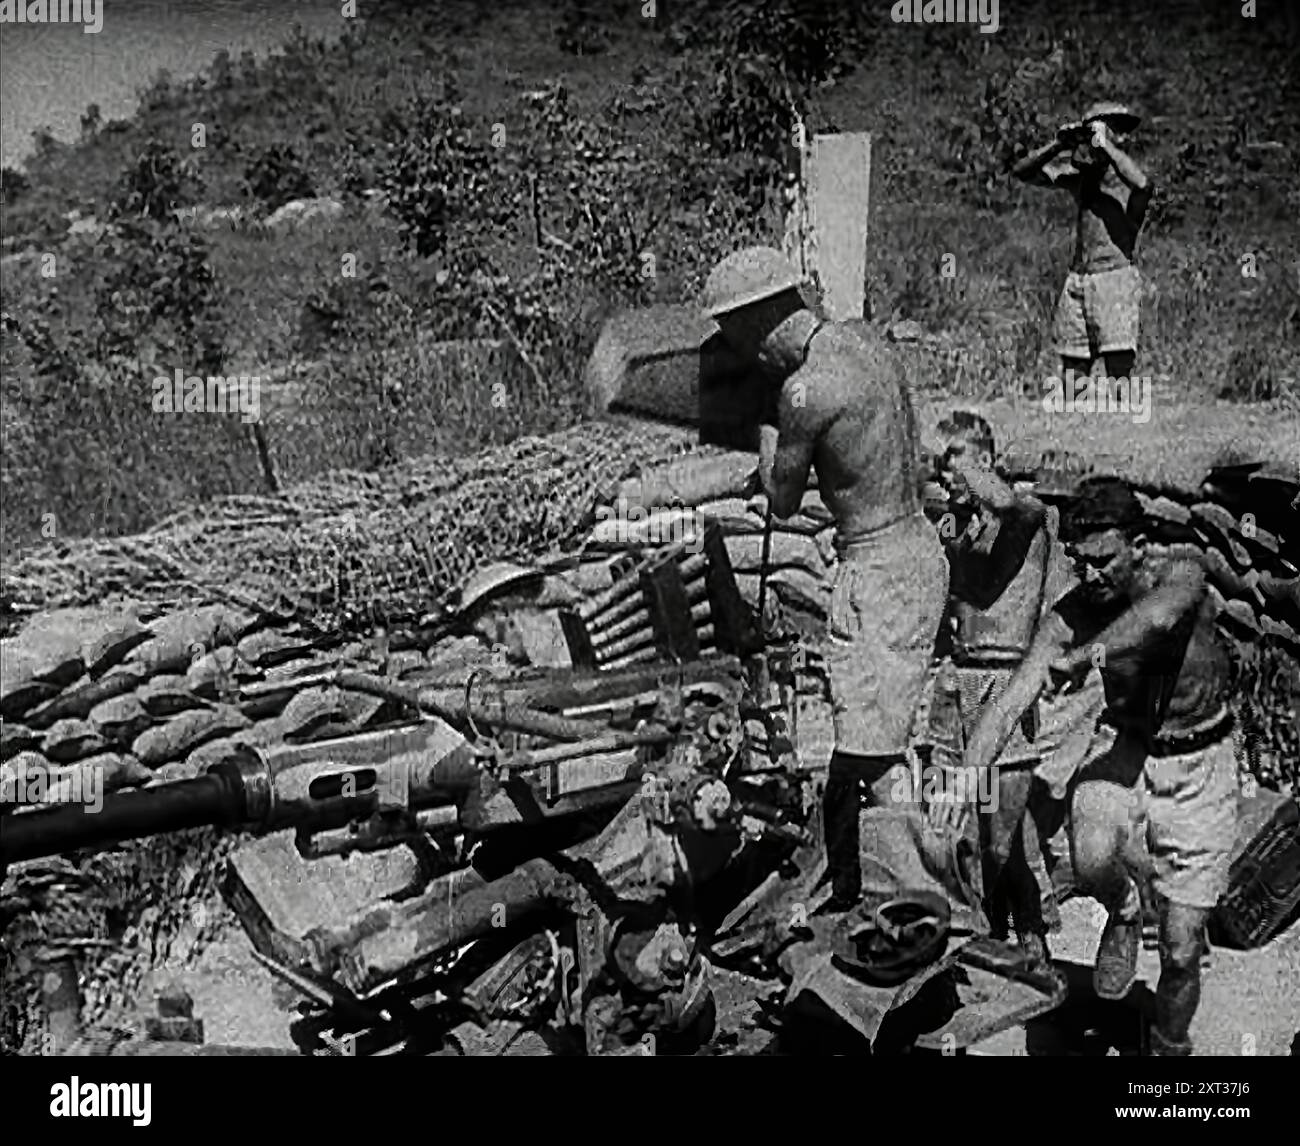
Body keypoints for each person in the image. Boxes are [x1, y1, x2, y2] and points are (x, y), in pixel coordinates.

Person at [701, 246, 949, 910]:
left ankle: (914, 908)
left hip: (878, 564)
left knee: (876, 754)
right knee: (879, 742)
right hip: (915, 548)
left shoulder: (803, 390)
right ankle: (877, 891)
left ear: (758, 322)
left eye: (736, 337)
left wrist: (762, 420)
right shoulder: (867, 342)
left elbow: (781, 500)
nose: (741, 352)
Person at [963, 477, 1239, 1056]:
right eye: (1079, 562)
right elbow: (1010, 703)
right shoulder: (1073, 615)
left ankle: (1168, 1050)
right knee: (1089, 855)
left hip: (1199, 765)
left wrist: (1090, 656)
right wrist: (956, 789)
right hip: (1126, 750)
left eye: (1103, 561)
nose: (1089, 576)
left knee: (1183, 948)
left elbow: (1158, 621)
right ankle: (1124, 908)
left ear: (1138, 546)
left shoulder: (1180, 572)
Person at [924, 411, 1059, 964]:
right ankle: (990, 933)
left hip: (1007, 682)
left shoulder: (1027, 516)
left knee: (1002, 836)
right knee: (959, 828)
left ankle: (1027, 931)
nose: (944, 476)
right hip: (957, 681)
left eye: (951, 462)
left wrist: (974, 472)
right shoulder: (954, 523)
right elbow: (947, 569)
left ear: (983, 459)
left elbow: (1013, 508)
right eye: (939, 466)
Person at [1012, 101, 1154, 384]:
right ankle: (1076, 424)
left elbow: (1143, 185)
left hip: (1114, 277)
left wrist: (1106, 146)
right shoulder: (1079, 178)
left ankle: (1120, 424)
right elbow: (1022, 172)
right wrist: (1057, 145)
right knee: (1073, 369)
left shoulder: (1123, 180)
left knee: (1118, 370)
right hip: (1078, 279)